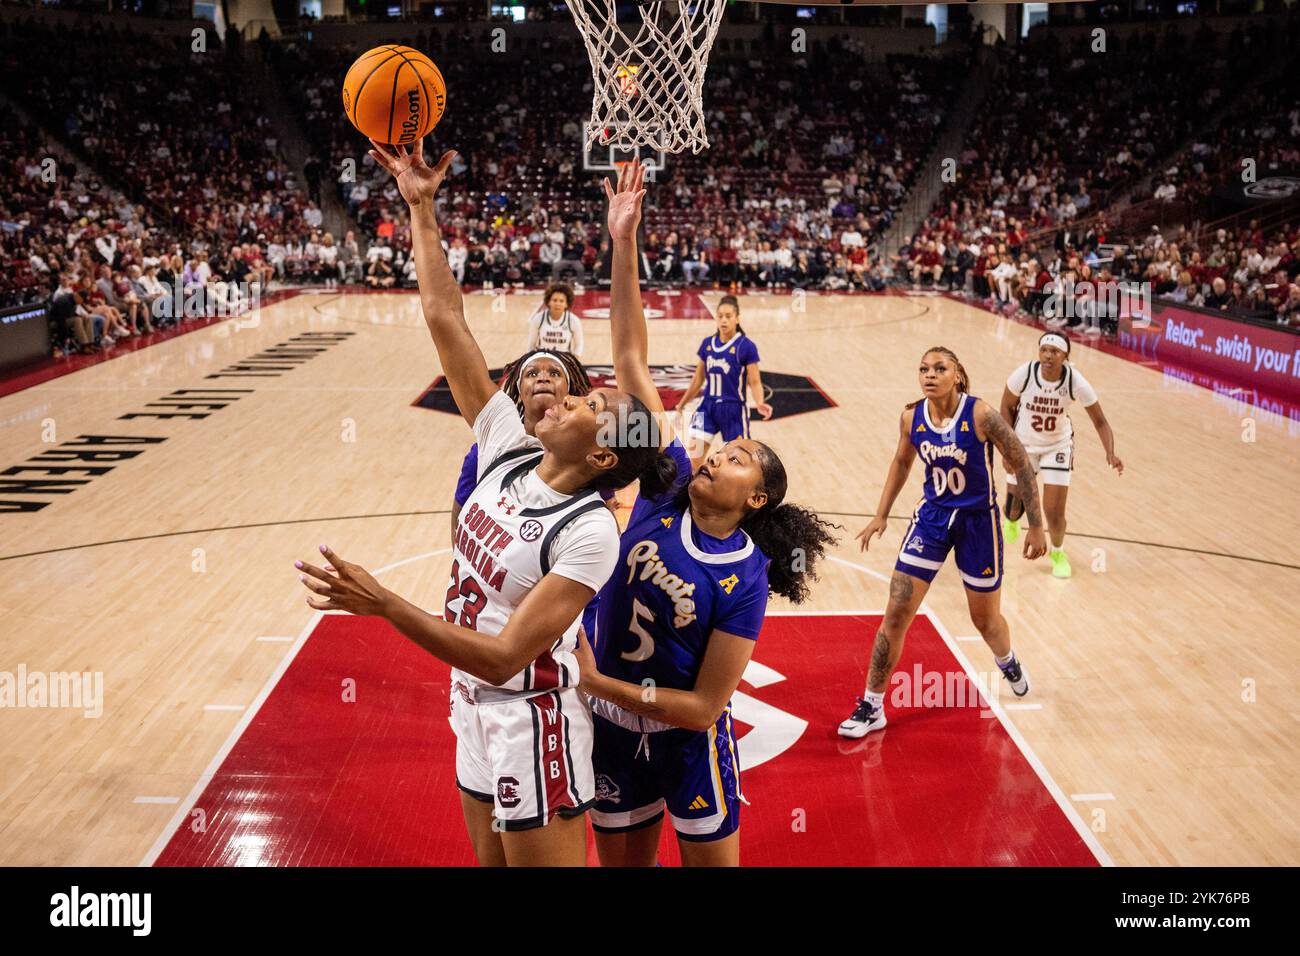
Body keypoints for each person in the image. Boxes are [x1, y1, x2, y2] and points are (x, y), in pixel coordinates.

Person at [296, 139, 671, 867]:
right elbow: (446, 319)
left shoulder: (589, 531)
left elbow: (504, 657)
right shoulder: (506, 443)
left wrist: (385, 604)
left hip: (530, 718)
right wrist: (421, 207)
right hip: (467, 702)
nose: (571, 397)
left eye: (590, 404)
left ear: (602, 456)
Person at [578, 159, 839, 866]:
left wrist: (598, 684)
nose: (720, 452)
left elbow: (702, 707)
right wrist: (624, 241)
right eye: (725, 448)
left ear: (756, 498)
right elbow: (629, 358)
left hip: (685, 741)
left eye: (739, 455)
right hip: (609, 728)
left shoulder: (745, 575)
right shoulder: (666, 482)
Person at [839, 346, 1048, 738]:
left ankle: (1006, 659)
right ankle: (872, 705)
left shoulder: (981, 414)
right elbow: (902, 461)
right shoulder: (911, 417)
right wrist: (881, 513)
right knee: (896, 612)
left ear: (958, 375)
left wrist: (1036, 525)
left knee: (984, 620)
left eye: (939, 368)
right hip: (931, 520)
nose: (929, 375)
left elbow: (1020, 461)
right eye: (923, 369)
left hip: (978, 523)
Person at [1000, 332, 1123, 578]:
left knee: (1054, 512)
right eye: (1044, 350)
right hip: (1023, 445)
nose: (1048, 355)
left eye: (1054, 352)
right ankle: (1012, 520)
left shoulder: (1075, 381)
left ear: (1065, 356)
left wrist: (1110, 453)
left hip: (1057, 447)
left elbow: (1100, 421)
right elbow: (1006, 407)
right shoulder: (1024, 373)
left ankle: (1058, 553)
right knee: (1013, 509)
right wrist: (1007, 448)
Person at [675, 295, 773, 472]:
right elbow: (698, 379)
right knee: (692, 461)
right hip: (707, 406)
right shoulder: (707, 344)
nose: (724, 320)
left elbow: (754, 381)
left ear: (737, 318)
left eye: (728, 316)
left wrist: (759, 402)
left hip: (733, 409)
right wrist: (682, 404)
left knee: (738, 464)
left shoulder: (746, 346)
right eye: (720, 316)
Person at [525, 283, 584, 356]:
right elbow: (531, 345)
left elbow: (579, 345)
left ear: (566, 304)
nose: (557, 304)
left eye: (561, 301)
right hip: (543, 358)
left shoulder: (573, 320)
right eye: (554, 300)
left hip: (564, 359)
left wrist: (574, 359)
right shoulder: (538, 318)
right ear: (549, 302)